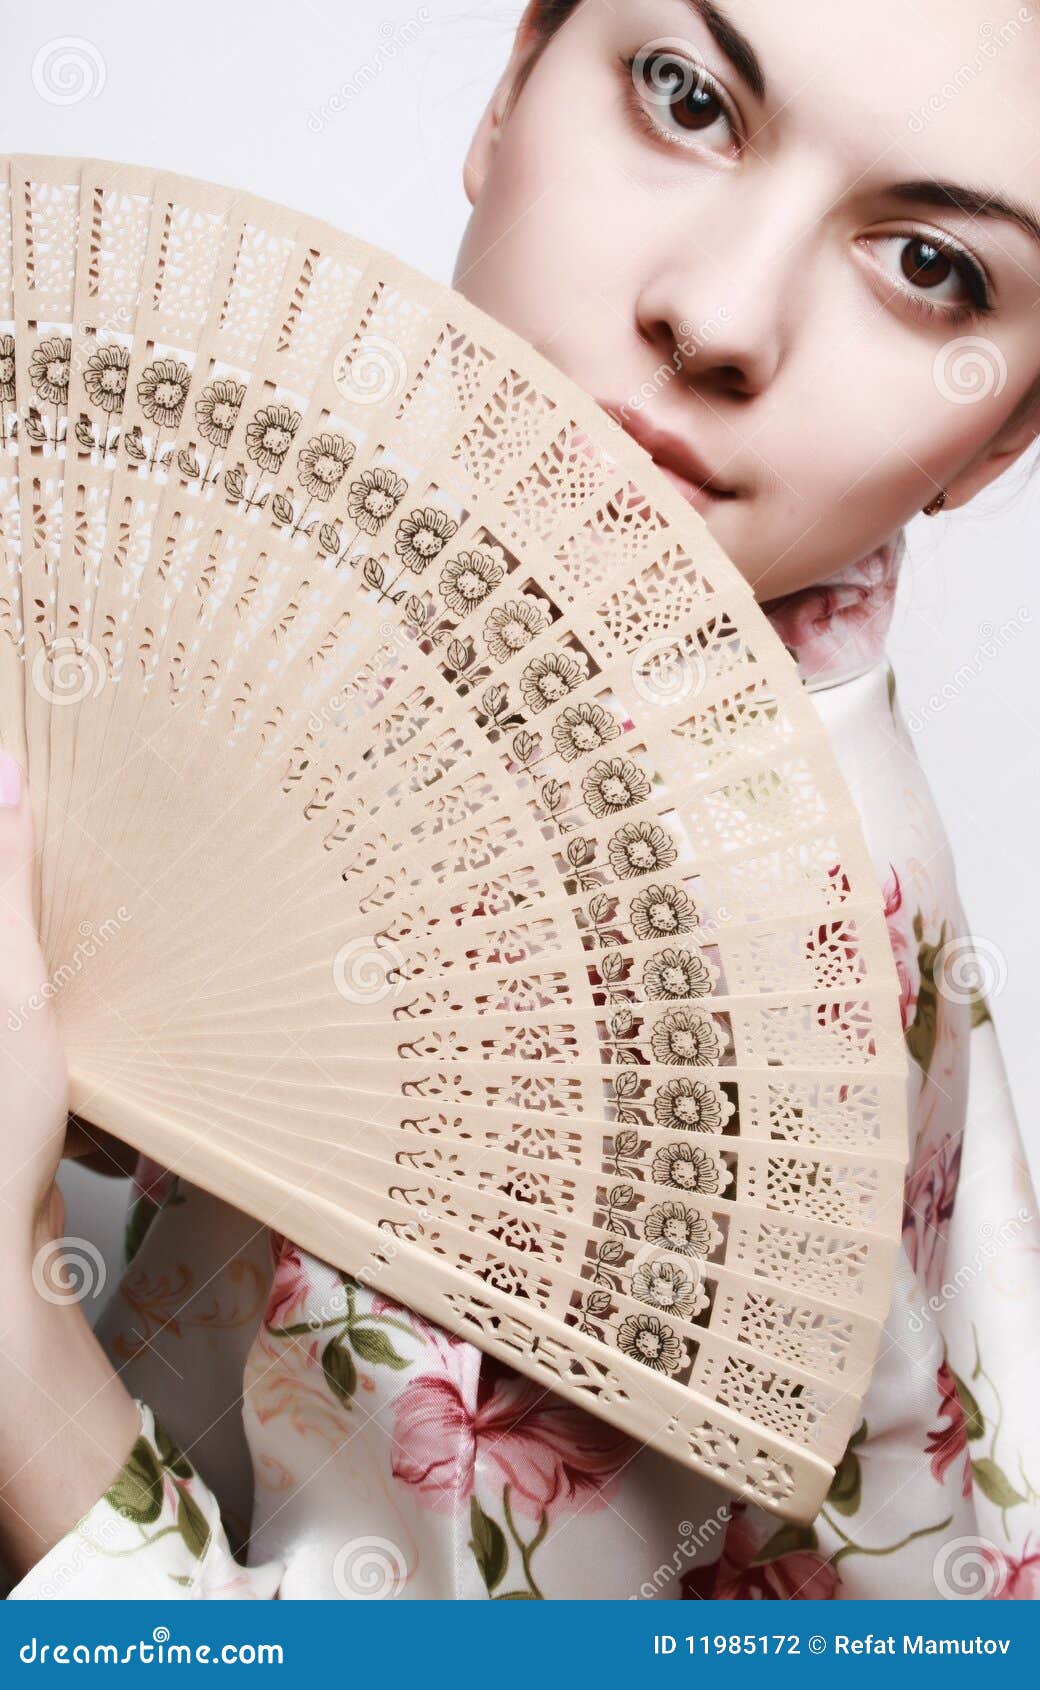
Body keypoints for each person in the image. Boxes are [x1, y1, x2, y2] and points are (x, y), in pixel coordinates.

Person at [3, 0, 1040, 1600]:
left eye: (931, 267)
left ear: (1008, 431)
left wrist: (15, 1333)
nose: (715, 315)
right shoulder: (466, 596)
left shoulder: (715, 948)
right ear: (510, 84)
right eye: (686, 95)